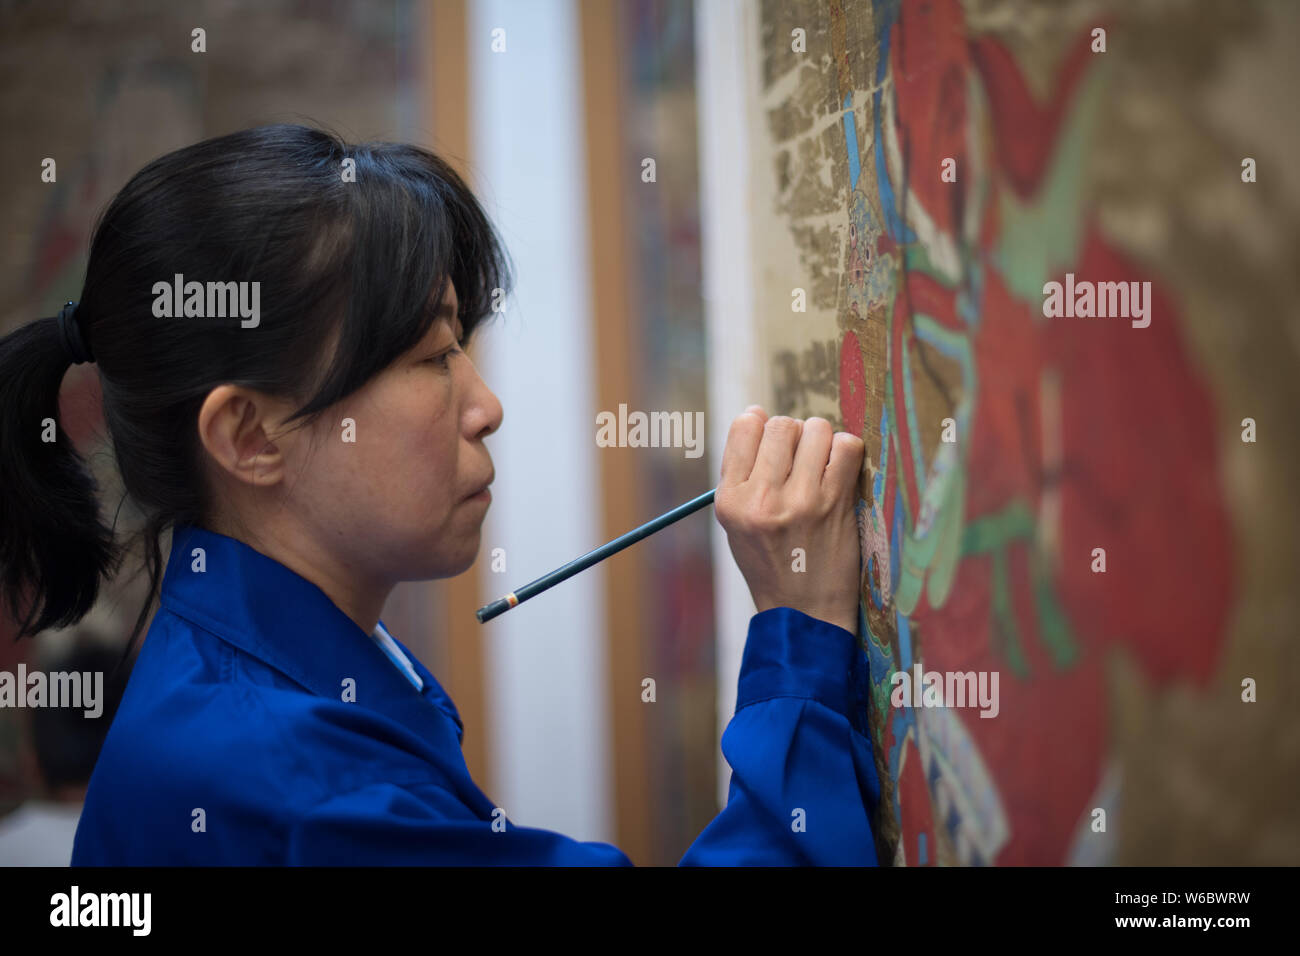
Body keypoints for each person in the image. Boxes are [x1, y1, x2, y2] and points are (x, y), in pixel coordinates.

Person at [0, 124, 878, 865]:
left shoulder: (255, 677)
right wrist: (796, 642)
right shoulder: (294, 787)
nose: (485, 408)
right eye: (430, 358)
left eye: (460, 348)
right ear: (250, 436)